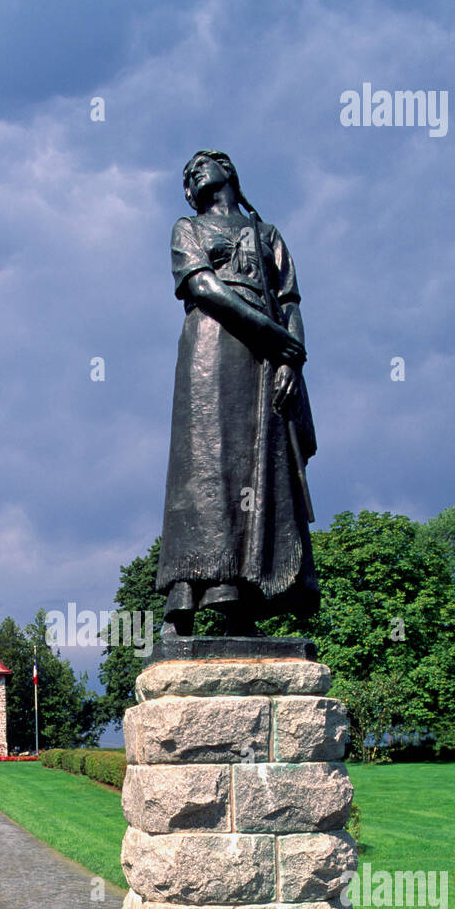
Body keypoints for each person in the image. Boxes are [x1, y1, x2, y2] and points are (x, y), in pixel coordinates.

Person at [157, 149, 320, 636]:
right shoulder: (186, 229)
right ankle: (185, 595)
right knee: (204, 467)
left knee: (257, 468)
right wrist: (276, 337)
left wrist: (290, 357)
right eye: (187, 172)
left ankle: (239, 599)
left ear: (228, 172)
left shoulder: (268, 235)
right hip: (211, 348)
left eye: (204, 162)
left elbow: (290, 302)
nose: (194, 171)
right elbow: (203, 287)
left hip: (264, 361)